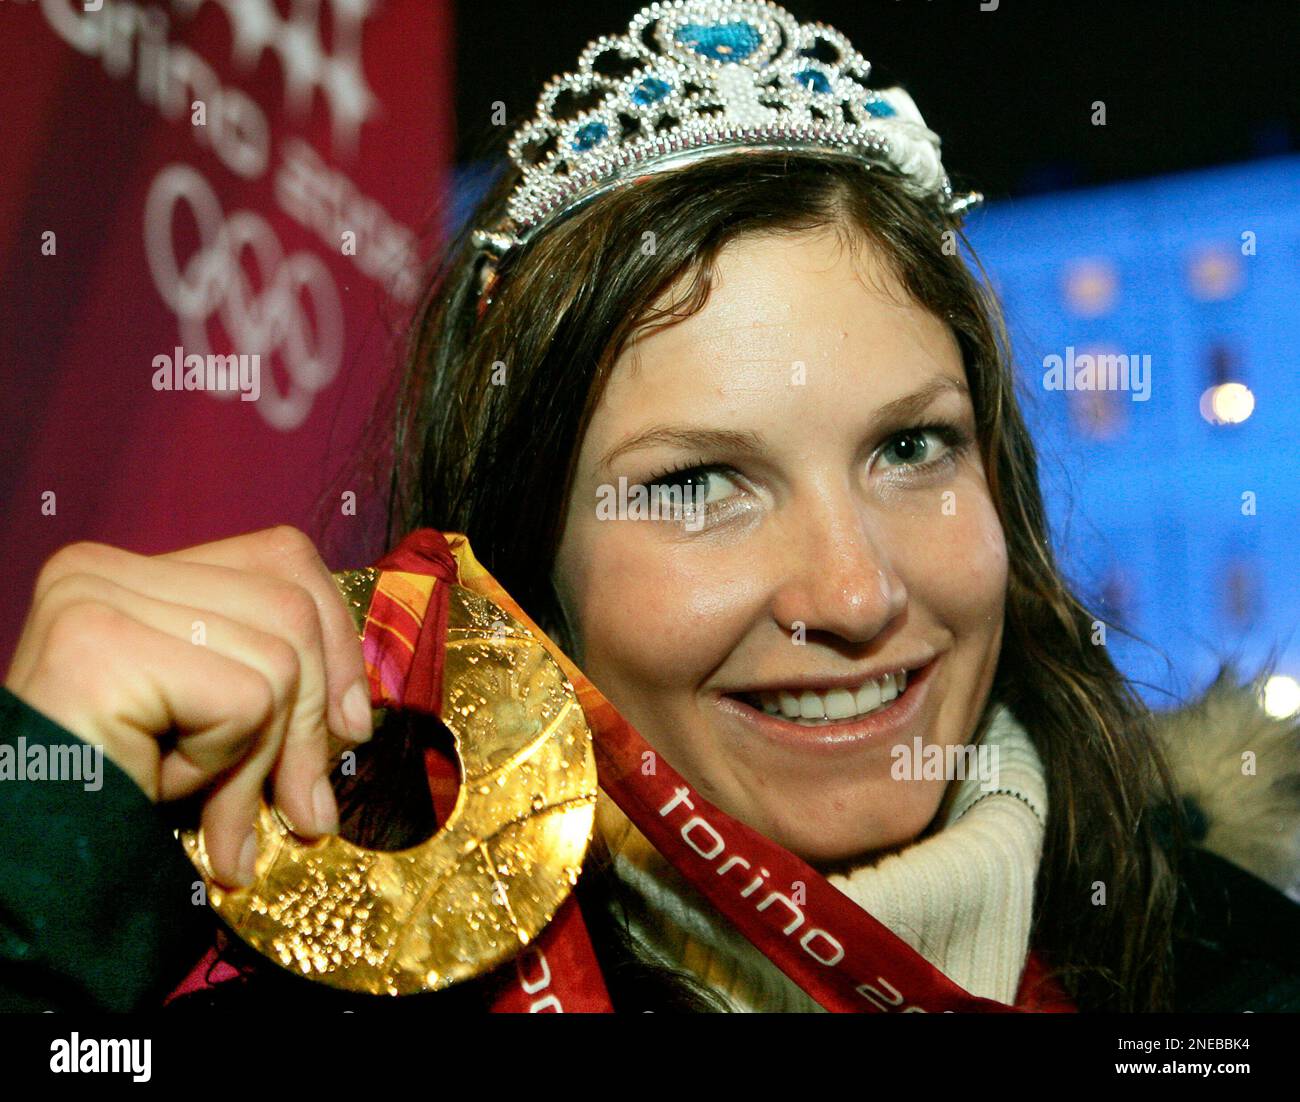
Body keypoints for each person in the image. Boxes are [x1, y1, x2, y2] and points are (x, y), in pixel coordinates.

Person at [3, 0, 1300, 1014]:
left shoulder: (1239, 968)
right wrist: (40, 852)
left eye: (912, 446)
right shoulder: (304, 984)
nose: (855, 594)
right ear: (521, 566)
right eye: (697, 483)